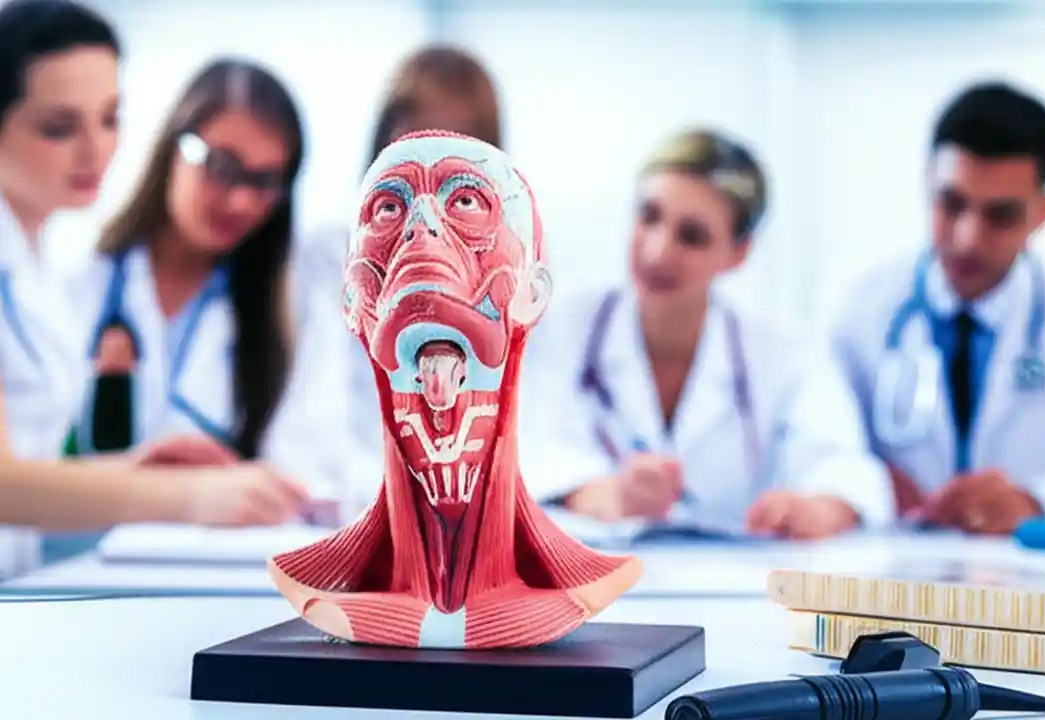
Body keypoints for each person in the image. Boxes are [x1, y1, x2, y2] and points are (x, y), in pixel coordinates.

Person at [0, 0, 306, 580]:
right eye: (60, 127)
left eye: (110, 119)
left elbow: (29, 464)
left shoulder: (29, 260)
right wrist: (187, 497)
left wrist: (132, 471)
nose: (97, 151)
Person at [517, 128, 894, 539]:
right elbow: (534, 452)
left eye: (692, 236)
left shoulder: (783, 353)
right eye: (650, 216)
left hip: (731, 590)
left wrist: (818, 509)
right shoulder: (566, 326)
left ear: (738, 252)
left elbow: (845, 467)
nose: (658, 251)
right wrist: (603, 495)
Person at [830, 82, 1045, 536]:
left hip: (1031, 576)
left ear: (1044, 211)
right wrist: (867, 481)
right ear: (927, 183)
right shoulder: (861, 307)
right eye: (951, 203)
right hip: (895, 564)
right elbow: (824, 443)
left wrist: (1037, 501)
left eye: (1000, 215)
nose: (968, 237)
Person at [290, 44, 505, 512]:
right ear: (382, 143)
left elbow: (526, 416)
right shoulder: (335, 253)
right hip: (353, 501)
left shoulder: (509, 266)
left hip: (474, 511)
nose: (431, 167)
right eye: (413, 142)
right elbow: (317, 414)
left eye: (455, 149)